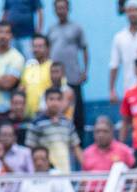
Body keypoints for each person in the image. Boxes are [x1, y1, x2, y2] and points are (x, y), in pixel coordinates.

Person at [49, 0, 90, 133]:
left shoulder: (76, 28)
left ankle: (80, 143)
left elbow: (84, 49)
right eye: (58, 8)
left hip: (73, 77)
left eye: (63, 8)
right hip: (56, 80)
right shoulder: (51, 30)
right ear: (55, 10)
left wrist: (85, 71)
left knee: (77, 114)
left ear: (68, 9)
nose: (60, 10)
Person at [26, 88, 83, 172]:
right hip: (45, 173)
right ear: (45, 101)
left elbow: (76, 148)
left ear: (62, 101)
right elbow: (29, 149)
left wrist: (86, 168)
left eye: (58, 99)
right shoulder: (36, 123)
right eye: (51, 99)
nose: (54, 102)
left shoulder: (67, 123)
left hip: (65, 171)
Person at [20, 33, 55, 118]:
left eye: (40, 46)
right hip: (27, 117)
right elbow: (22, 89)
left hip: (47, 116)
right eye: (34, 46)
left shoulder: (53, 67)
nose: (36, 49)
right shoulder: (28, 67)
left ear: (47, 48)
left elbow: (60, 90)